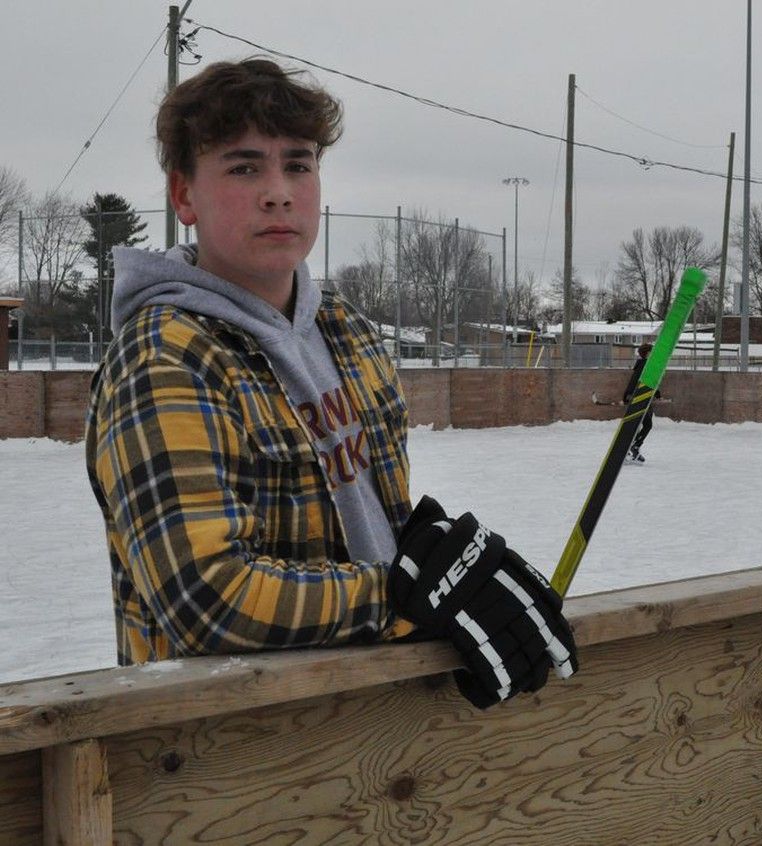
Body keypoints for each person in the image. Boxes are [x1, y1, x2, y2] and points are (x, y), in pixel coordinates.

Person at [84, 58, 576, 710]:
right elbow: (207, 600)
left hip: (365, 718)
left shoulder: (346, 331)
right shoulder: (165, 356)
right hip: (217, 754)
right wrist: (403, 594)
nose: (278, 191)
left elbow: (376, 514)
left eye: (298, 163)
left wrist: (441, 564)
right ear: (184, 196)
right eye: (243, 166)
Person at [622, 341, 659, 462]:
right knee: (646, 425)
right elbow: (634, 381)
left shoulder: (647, 364)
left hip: (645, 397)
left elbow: (651, 381)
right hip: (640, 398)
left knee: (644, 425)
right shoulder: (644, 365)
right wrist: (627, 395)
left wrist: (656, 392)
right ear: (647, 353)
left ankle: (632, 448)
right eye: (651, 351)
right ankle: (632, 448)